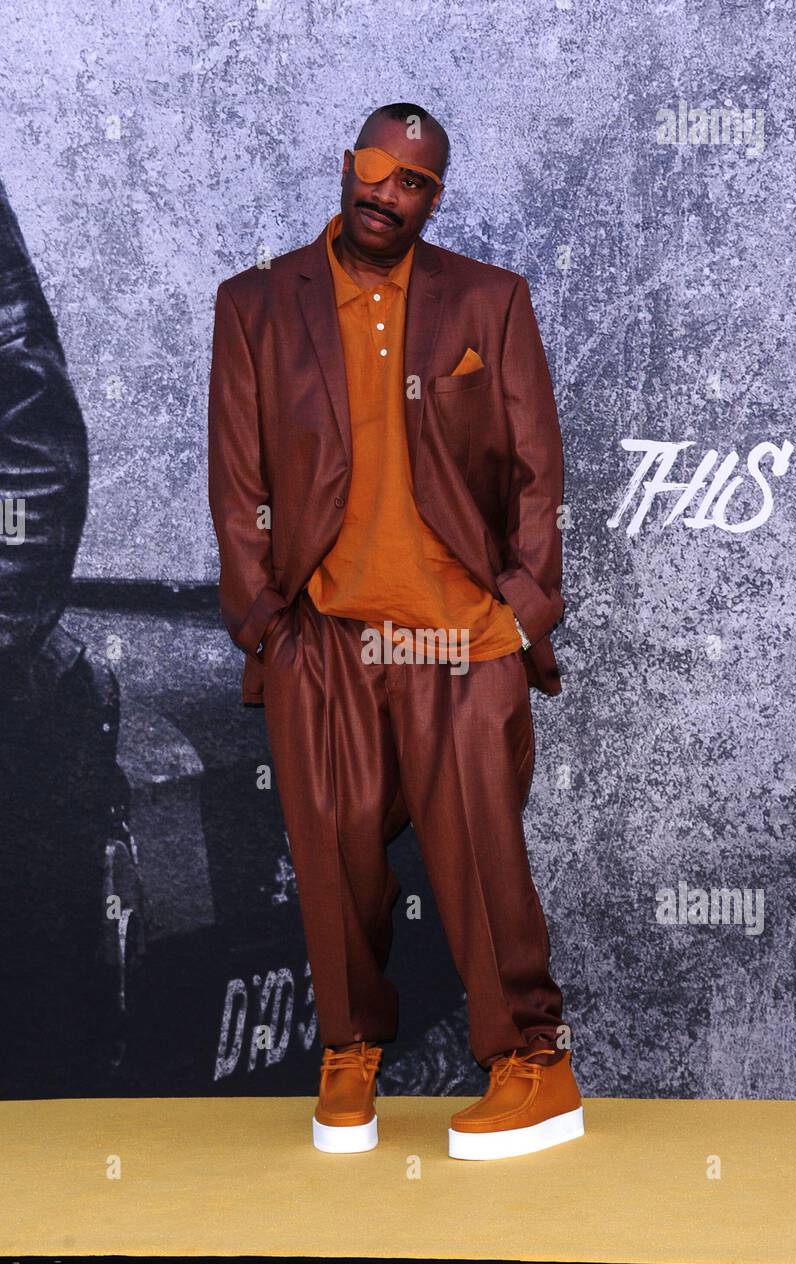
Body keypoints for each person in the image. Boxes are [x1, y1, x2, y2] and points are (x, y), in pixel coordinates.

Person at [207, 103, 584, 1160]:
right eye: (375, 171)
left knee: (477, 857)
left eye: (413, 182)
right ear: (347, 167)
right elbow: (238, 485)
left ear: (434, 197)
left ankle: (532, 1064)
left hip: (458, 635)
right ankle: (348, 1048)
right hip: (324, 632)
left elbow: (536, 469)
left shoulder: (487, 299)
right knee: (332, 860)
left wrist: (521, 608)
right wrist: (265, 626)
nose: (388, 193)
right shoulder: (256, 305)